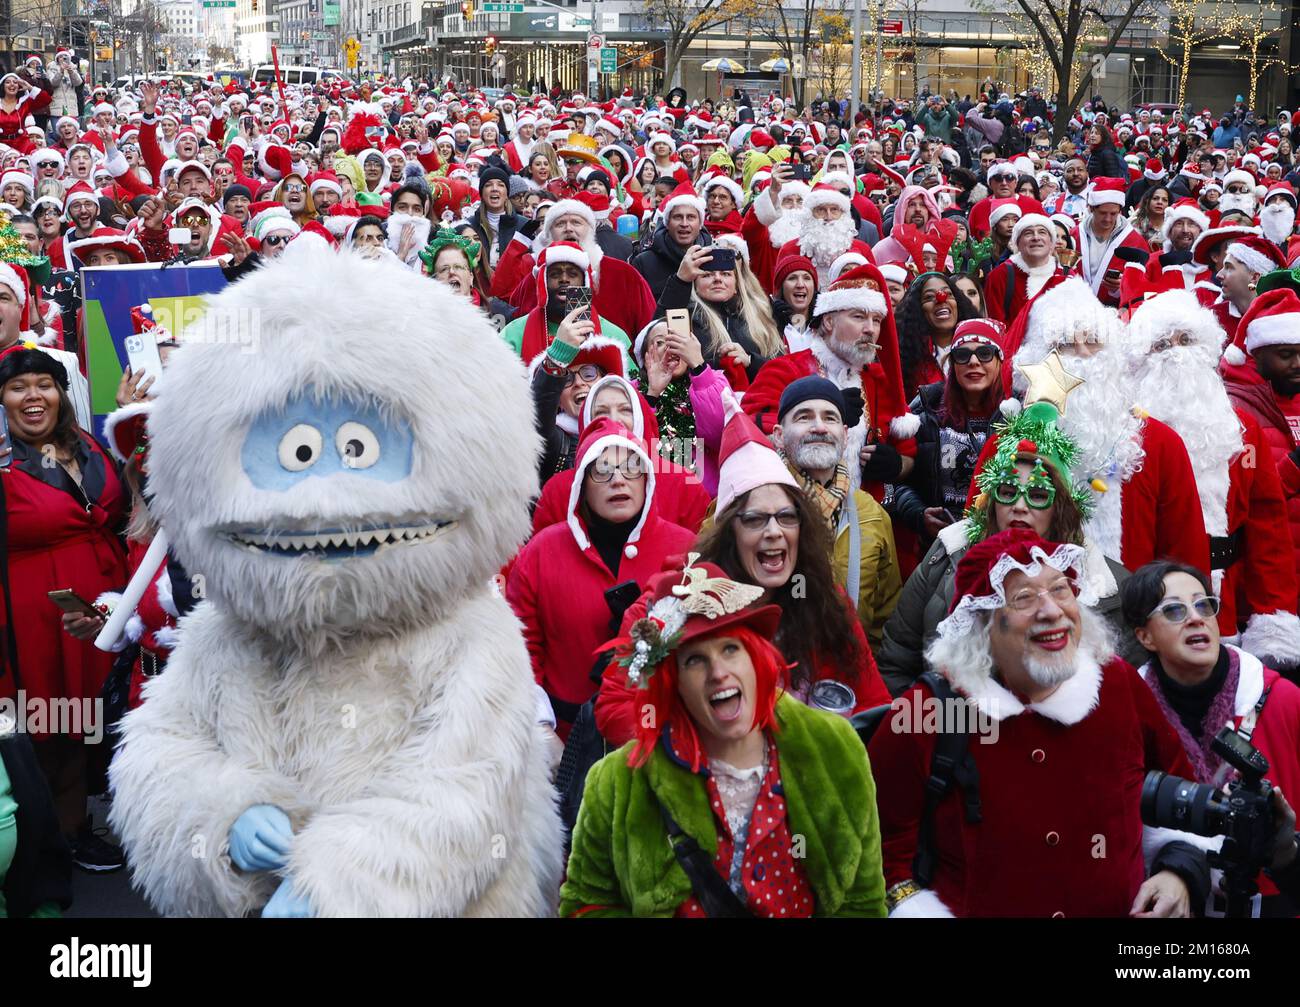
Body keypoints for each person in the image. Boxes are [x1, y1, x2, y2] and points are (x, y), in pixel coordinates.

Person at [871, 528, 1210, 917]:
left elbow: (1178, 791)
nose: (1052, 611)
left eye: (1060, 589)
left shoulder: (1118, 684)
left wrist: (1178, 872)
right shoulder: (930, 711)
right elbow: (879, 844)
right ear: (983, 623)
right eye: (1024, 598)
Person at [561, 555, 886, 918]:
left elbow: (862, 902)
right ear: (675, 685)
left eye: (731, 649)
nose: (718, 671)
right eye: (695, 660)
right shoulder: (617, 783)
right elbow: (585, 904)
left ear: (757, 658)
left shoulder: (834, 751)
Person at [593, 400, 892, 745]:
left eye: (786, 517)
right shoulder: (671, 602)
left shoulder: (822, 599)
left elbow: (874, 703)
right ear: (728, 534)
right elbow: (617, 707)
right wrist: (702, 747)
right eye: (754, 519)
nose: (774, 532)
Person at [878, 391, 1143, 695]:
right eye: (1007, 491)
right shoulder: (948, 552)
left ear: (1061, 509)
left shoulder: (1107, 584)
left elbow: (1126, 693)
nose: (1019, 506)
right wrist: (930, 732)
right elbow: (897, 660)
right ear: (991, 501)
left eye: (1039, 495)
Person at [0, 347, 128, 871]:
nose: (33, 396)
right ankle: (44, 839)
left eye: (44, 384)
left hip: (102, 609)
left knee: (93, 722)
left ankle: (76, 828)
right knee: (45, 729)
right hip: (30, 615)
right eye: (17, 387)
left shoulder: (91, 446)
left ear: (61, 393)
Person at [1126, 289, 1300, 668]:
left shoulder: (1242, 429)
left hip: (1233, 600)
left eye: (1186, 340)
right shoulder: (1128, 441)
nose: (1176, 353)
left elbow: (1268, 528)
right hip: (1159, 604)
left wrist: (1273, 614)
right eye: (1162, 344)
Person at [1122, 561, 1300, 916]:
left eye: (1204, 605)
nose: (1195, 617)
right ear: (1145, 636)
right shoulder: (1127, 715)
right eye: (1174, 610)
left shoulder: (1285, 701)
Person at [1002, 277, 1210, 573]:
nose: (1084, 356)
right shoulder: (1013, 441)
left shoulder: (1160, 442)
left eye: (1093, 341)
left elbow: (1184, 551)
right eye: (1065, 345)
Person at [507, 418, 695, 739]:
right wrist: (539, 727)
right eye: (602, 470)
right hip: (563, 742)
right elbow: (518, 648)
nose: (618, 480)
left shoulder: (687, 548)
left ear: (646, 479)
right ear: (581, 484)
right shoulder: (541, 551)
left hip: (662, 736)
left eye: (631, 468)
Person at [744, 263, 919, 498]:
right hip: (795, 512)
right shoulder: (782, 371)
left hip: (864, 519)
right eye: (858, 317)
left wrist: (896, 465)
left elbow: (909, 457)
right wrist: (828, 419)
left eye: (877, 320)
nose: (870, 329)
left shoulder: (880, 381)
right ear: (828, 322)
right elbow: (751, 443)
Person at [771, 376, 902, 646]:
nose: (819, 427)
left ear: (844, 434)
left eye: (829, 418)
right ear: (779, 436)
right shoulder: (747, 506)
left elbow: (886, 621)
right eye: (804, 417)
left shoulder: (873, 515)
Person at [892, 319, 1004, 552]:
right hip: (939, 547)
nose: (973, 362)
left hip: (998, 545)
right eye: (962, 355)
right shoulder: (925, 413)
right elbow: (897, 482)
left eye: (984, 353)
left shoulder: (1017, 415)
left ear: (1000, 360)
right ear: (952, 363)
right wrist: (919, 515)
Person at [1220, 287, 1300, 591]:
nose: (1297, 363)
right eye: (1285, 355)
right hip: (1268, 574)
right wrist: (1294, 466)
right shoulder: (1236, 410)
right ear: (1257, 354)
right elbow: (1242, 499)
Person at [654, 243, 781, 385]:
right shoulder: (686, 318)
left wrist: (750, 361)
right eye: (707, 275)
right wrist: (680, 280)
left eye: (725, 274)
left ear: (736, 285)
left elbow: (783, 370)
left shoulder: (759, 318)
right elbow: (656, 333)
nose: (717, 279)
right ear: (695, 285)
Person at [500, 241, 631, 363]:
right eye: (555, 274)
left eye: (572, 274)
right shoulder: (513, 335)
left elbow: (632, 385)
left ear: (585, 282)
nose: (564, 279)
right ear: (543, 282)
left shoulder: (613, 336)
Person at [895, 272, 978, 399]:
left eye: (949, 294)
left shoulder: (980, 347)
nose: (941, 298)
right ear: (918, 309)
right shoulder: (905, 359)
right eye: (929, 297)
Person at [630, 180, 712, 300]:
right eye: (677, 217)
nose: (684, 224)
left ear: (700, 224)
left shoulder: (711, 259)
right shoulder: (644, 263)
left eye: (691, 217)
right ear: (667, 223)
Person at [983, 213, 1068, 326]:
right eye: (1028, 233)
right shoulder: (999, 276)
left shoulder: (1067, 275)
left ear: (1051, 243)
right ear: (1017, 243)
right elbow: (995, 326)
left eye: (1042, 232)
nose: (1036, 237)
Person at [1077, 177, 1151, 307]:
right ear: (1091, 208)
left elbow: (1145, 286)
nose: (1108, 219)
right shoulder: (1075, 235)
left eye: (1113, 213)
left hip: (1114, 314)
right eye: (1103, 213)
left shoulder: (1135, 241)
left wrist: (1121, 287)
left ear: (1120, 211)